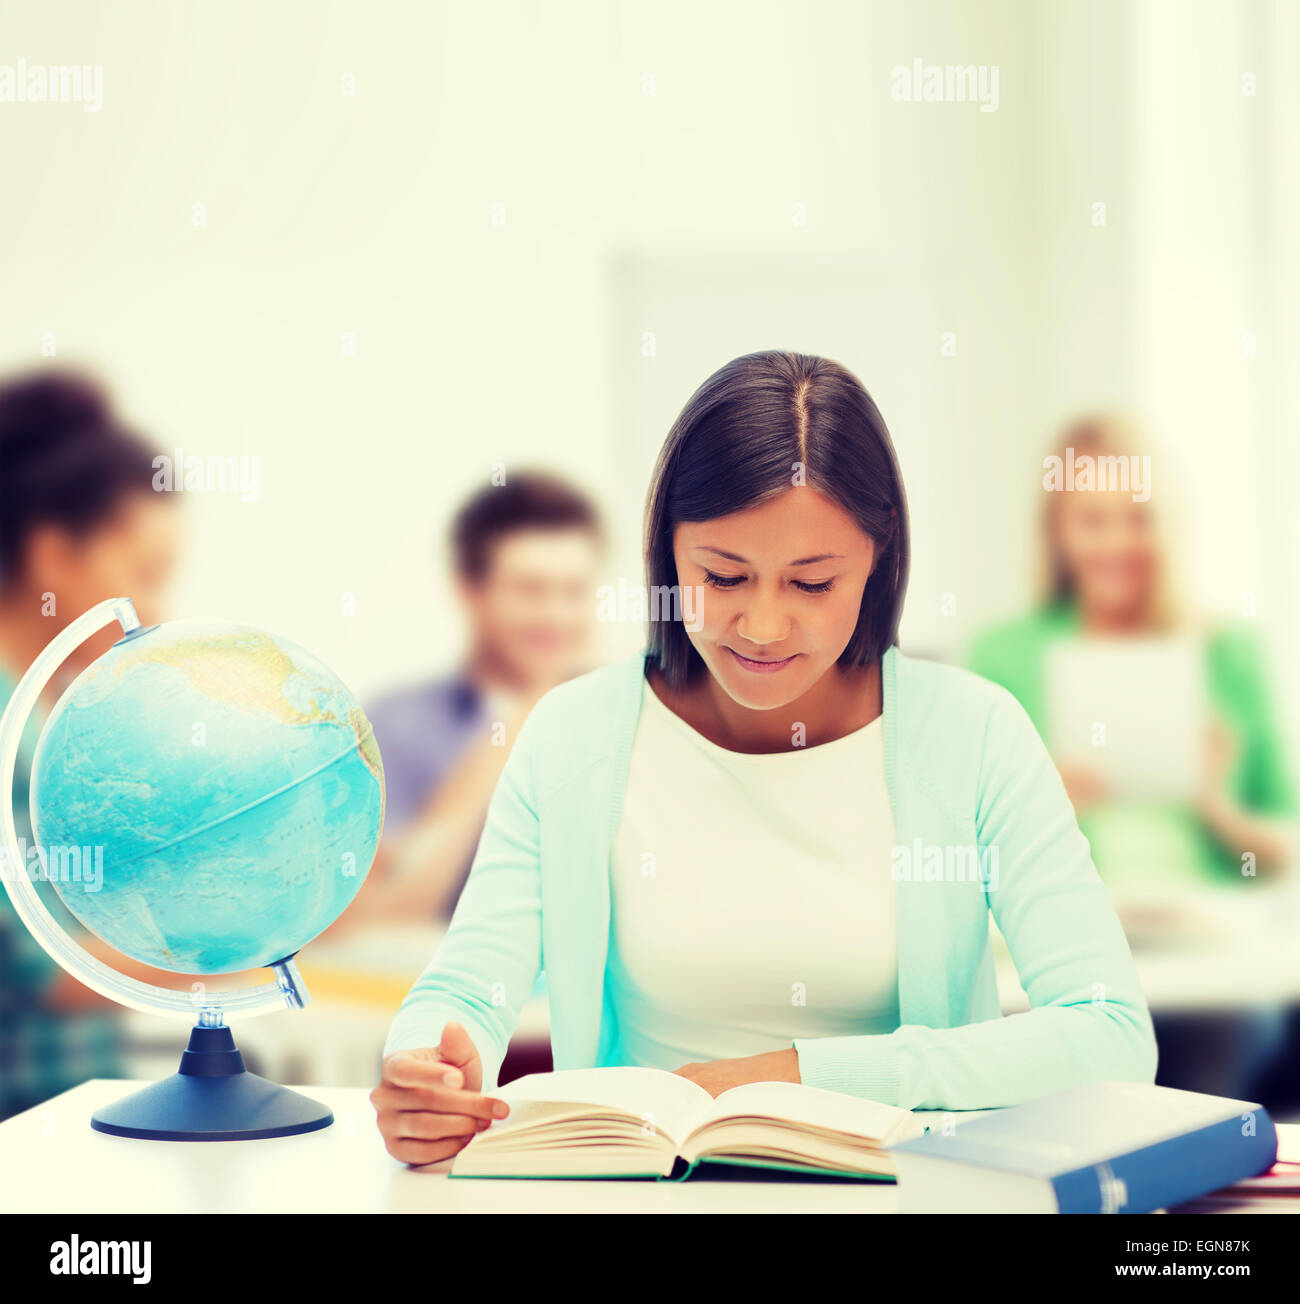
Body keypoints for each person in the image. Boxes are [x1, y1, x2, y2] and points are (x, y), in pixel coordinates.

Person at [371, 350, 1156, 1166]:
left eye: (812, 583)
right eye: (723, 576)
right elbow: (467, 987)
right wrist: (427, 1064)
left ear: (879, 555)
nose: (763, 626)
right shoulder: (573, 735)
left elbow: (1111, 1033)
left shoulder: (974, 734)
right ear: (667, 549)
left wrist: (794, 1078)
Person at [967, 414, 1296, 894]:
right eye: (1093, 521)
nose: (1118, 542)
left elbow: (1287, 846)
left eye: (1138, 517)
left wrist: (1220, 810)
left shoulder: (1233, 655)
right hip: (1066, 926)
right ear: (1058, 532)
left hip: (1219, 939)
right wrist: (1042, 809)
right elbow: (960, 852)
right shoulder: (1000, 659)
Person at [0, 369, 185, 1120]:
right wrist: (265, 927)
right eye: (144, 573)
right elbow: (56, 974)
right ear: (54, 557)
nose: (159, 607)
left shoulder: (44, 723)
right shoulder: (13, 735)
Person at [354, 473, 603, 925]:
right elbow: (390, 905)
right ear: (470, 591)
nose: (556, 615)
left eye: (573, 592)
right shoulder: (395, 725)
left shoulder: (629, 718)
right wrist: (522, 721)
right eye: (531, 590)